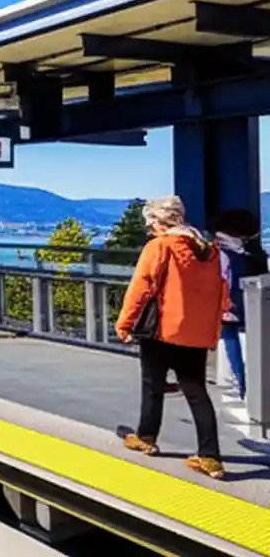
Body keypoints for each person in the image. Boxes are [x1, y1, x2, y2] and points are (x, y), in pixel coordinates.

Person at [116, 196, 229, 480]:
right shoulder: (208, 250)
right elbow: (222, 293)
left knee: (152, 384)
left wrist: (125, 324)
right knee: (196, 391)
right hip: (196, 332)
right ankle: (210, 457)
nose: (149, 227)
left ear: (161, 221)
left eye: (151, 221)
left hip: (163, 329)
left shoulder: (160, 246)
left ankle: (146, 437)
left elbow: (141, 287)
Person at [210, 208, 264, 401]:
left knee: (231, 343)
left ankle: (239, 384)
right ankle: (252, 386)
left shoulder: (220, 252)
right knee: (253, 345)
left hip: (229, 305)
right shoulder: (255, 253)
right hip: (254, 303)